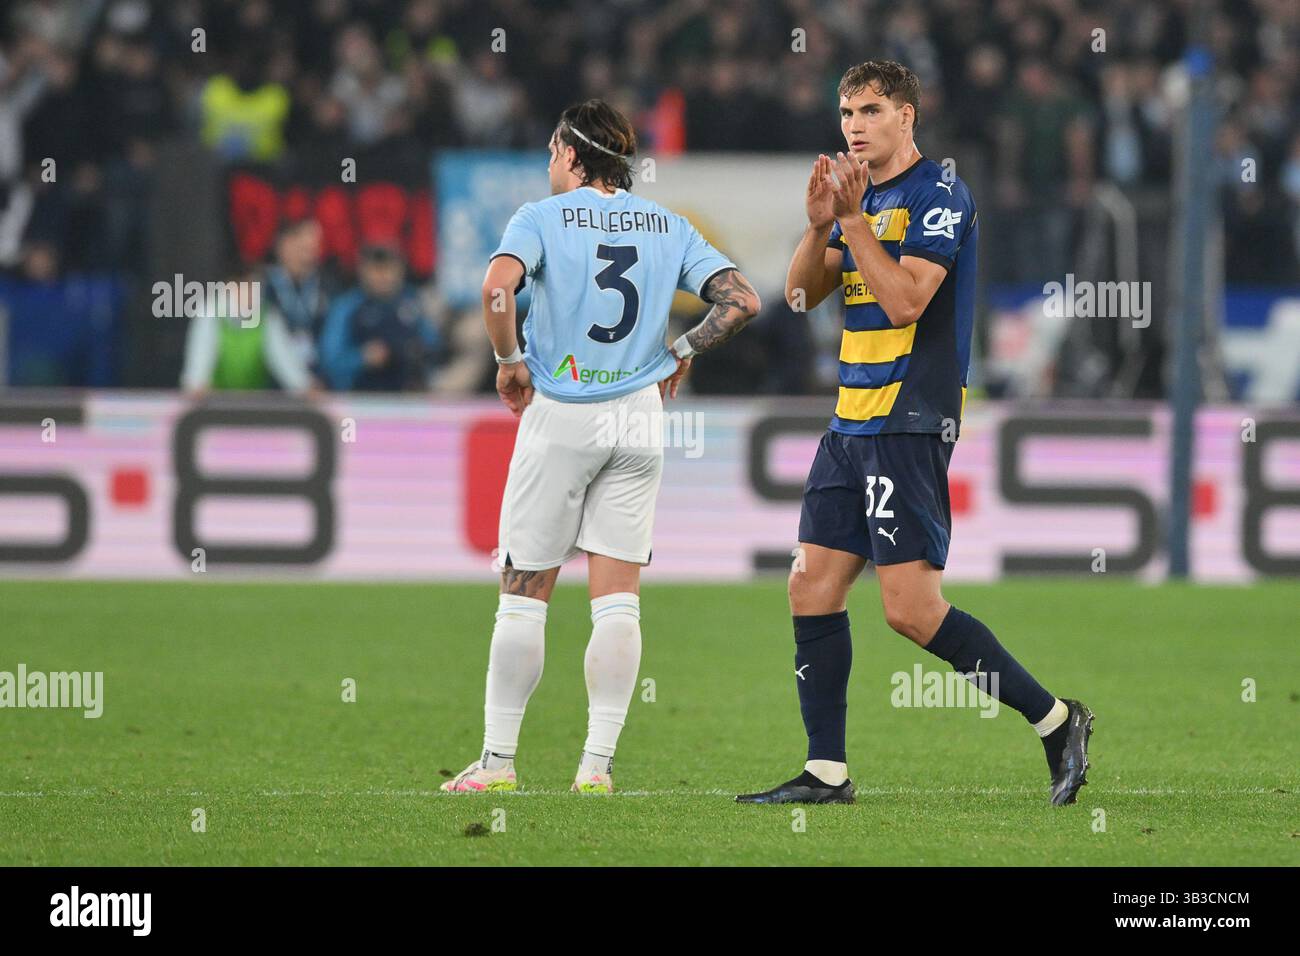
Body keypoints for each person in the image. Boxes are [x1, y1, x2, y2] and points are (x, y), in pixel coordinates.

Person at [737, 61, 1093, 807]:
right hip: (849, 421)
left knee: (910, 610)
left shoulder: (939, 195)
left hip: (908, 419)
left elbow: (903, 303)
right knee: (811, 586)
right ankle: (826, 773)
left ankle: (1057, 720)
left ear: (907, 117)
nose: (854, 126)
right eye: (845, 112)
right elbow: (803, 296)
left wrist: (855, 221)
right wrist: (817, 225)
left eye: (870, 110)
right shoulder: (856, 200)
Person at [441, 98, 761, 795]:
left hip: (564, 413)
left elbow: (498, 289)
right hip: (640, 418)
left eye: (554, 151)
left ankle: (497, 764)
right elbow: (741, 301)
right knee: (618, 601)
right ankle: (596, 767)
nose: (550, 163)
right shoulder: (668, 225)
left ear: (570, 152)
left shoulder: (540, 218)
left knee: (524, 594)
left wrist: (508, 360)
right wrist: (682, 349)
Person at [318, 242, 439, 391]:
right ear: (362, 271)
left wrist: (412, 354)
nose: (382, 276)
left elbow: (434, 348)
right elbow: (330, 361)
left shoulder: (413, 302)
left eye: (388, 268)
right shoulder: (347, 306)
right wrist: (362, 358)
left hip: (408, 395)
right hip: (359, 395)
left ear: (400, 270)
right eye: (376, 269)